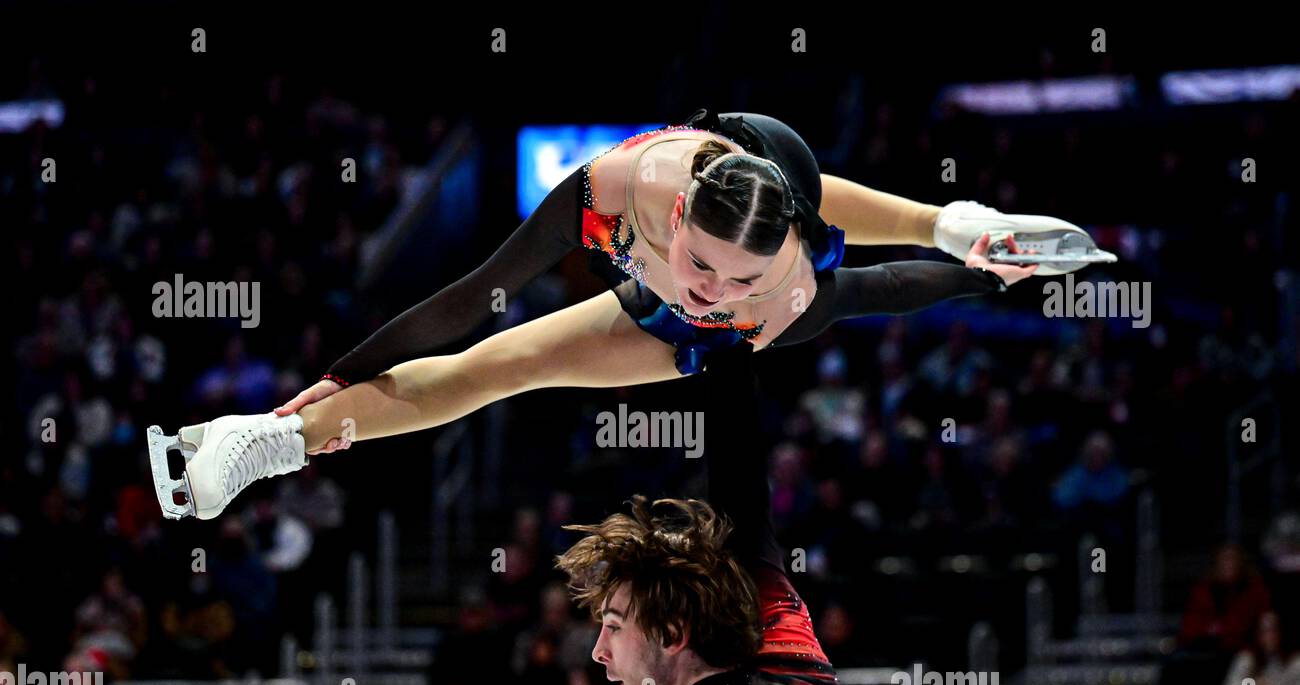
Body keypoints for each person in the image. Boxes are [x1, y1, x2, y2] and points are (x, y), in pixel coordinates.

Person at [120, 344, 883, 685]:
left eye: (614, 628)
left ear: (675, 632)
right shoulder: (780, 636)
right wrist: (727, 335)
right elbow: (743, 472)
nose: (597, 652)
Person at [147, 109, 1093, 521]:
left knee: (862, 296)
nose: (712, 292)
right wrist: (348, 370)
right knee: (495, 364)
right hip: (663, 295)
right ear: (673, 215)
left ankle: (1004, 270)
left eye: (735, 278)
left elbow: (871, 262)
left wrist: (958, 231)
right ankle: (262, 441)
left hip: (795, 300)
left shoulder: (778, 270)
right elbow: (475, 297)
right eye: (703, 268)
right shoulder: (606, 190)